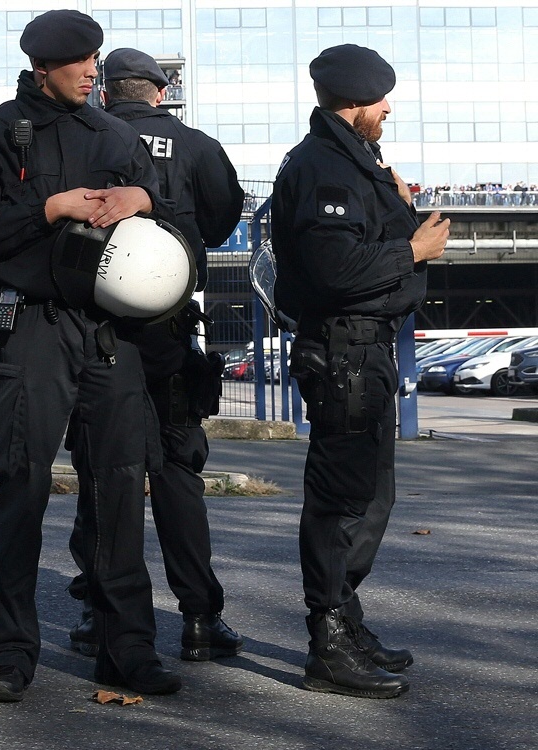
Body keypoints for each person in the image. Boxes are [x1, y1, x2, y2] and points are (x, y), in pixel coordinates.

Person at [0, 10, 181, 702]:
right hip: (33, 330)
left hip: (111, 331)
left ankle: (126, 649)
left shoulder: (114, 133)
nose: (91, 71)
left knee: (117, 492)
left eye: (96, 59)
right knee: (22, 489)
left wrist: (143, 197)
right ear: (41, 66)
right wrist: (48, 209)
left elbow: (164, 224)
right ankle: (10, 652)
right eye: (79, 62)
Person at [270, 44, 450, 699]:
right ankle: (328, 642)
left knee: (373, 498)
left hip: (366, 352)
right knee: (341, 503)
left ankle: (345, 619)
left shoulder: (355, 161)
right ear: (353, 99)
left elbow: (370, 249)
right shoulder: (322, 167)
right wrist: (413, 246)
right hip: (344, 352)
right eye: (380, 99)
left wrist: (399, 209)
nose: (388, 109)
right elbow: (335, 271)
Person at [66, 47, 246, 663]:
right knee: (176, 472)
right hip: (169, 330)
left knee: (101, 472)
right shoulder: (197, 146)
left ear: (105, 92)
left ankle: (98, 611)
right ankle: (198, 617)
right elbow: (223, 218)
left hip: (98, 331)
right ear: (160, 93)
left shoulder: (85, 139)